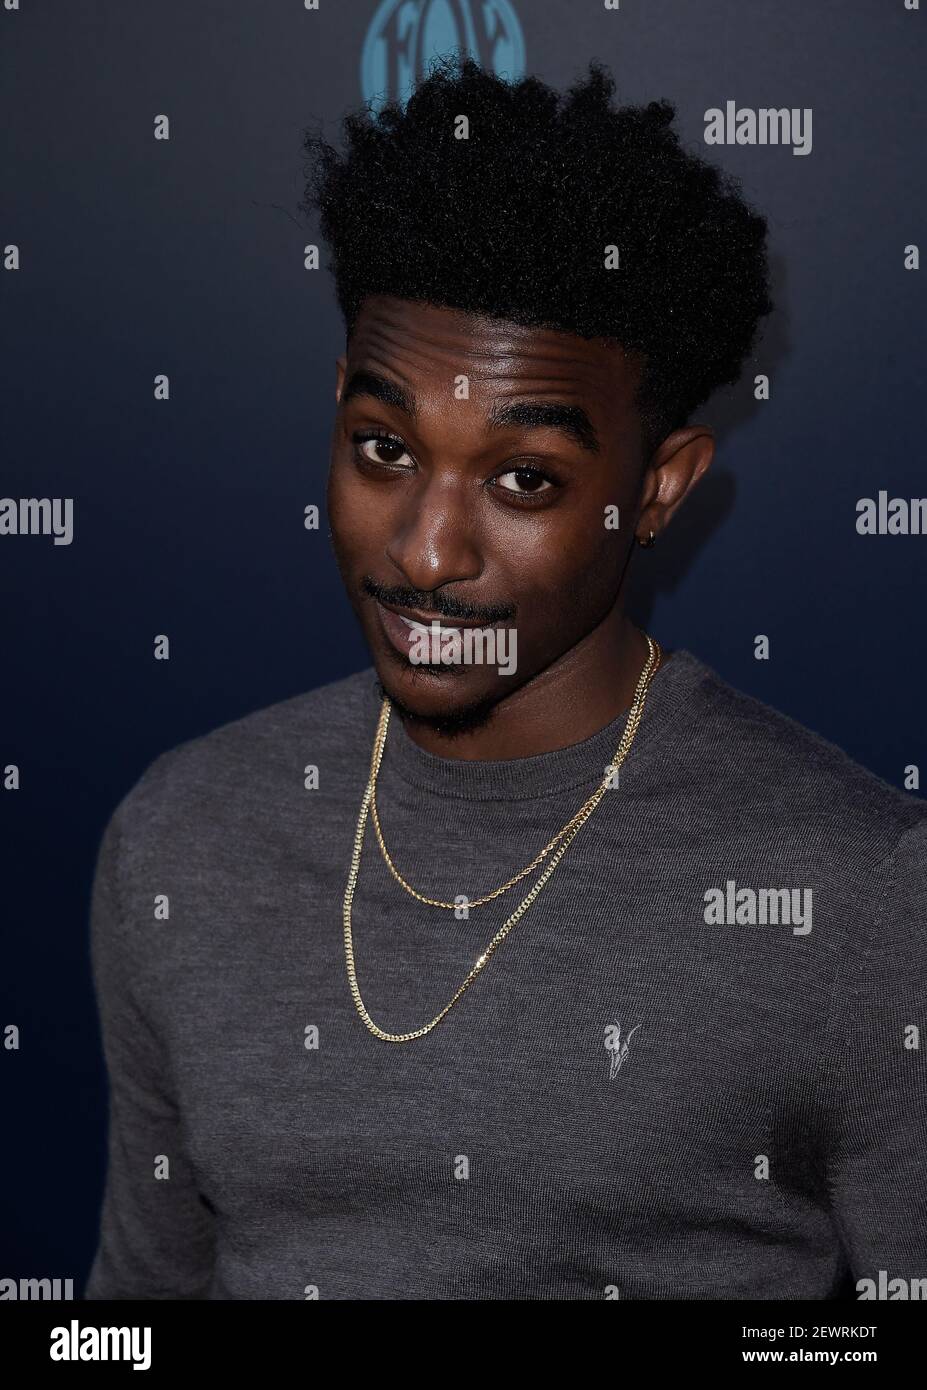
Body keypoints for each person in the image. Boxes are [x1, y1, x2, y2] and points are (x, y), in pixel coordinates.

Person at [84, 55, 926, 1301]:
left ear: (658, 489)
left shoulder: (859, 892)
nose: (424, 550)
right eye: (383, 449)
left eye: (523, 478)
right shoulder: (182, 839)